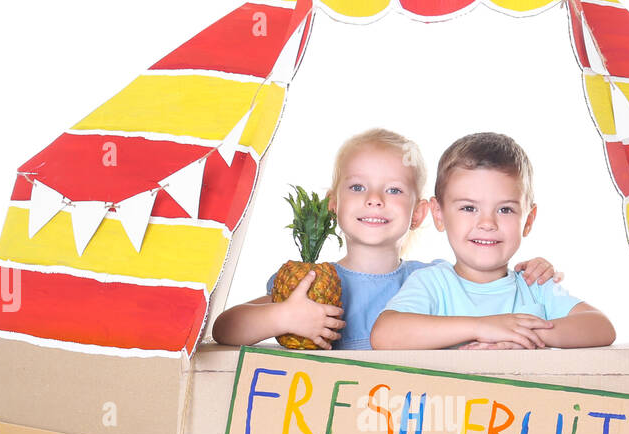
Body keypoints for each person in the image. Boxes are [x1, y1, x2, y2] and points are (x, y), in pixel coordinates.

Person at [211, 127, 562, 351]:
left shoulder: (435, 280)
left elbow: (495, 306)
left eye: (393, 189)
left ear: (421, 212)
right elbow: (225, 328)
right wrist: (282, 318)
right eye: (358, 187)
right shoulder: (311, 282)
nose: (375, 198)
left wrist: (528, 273)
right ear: (334, 203)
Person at [370, 132, 615, 350]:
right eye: (468, 207)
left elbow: (600, 326)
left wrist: (521, 333)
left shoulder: (534, 286)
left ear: (528, 220)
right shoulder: (433, 283)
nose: (487, 223)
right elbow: (385, 334)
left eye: (505, 210)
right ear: (438, 214)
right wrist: (481, 327)